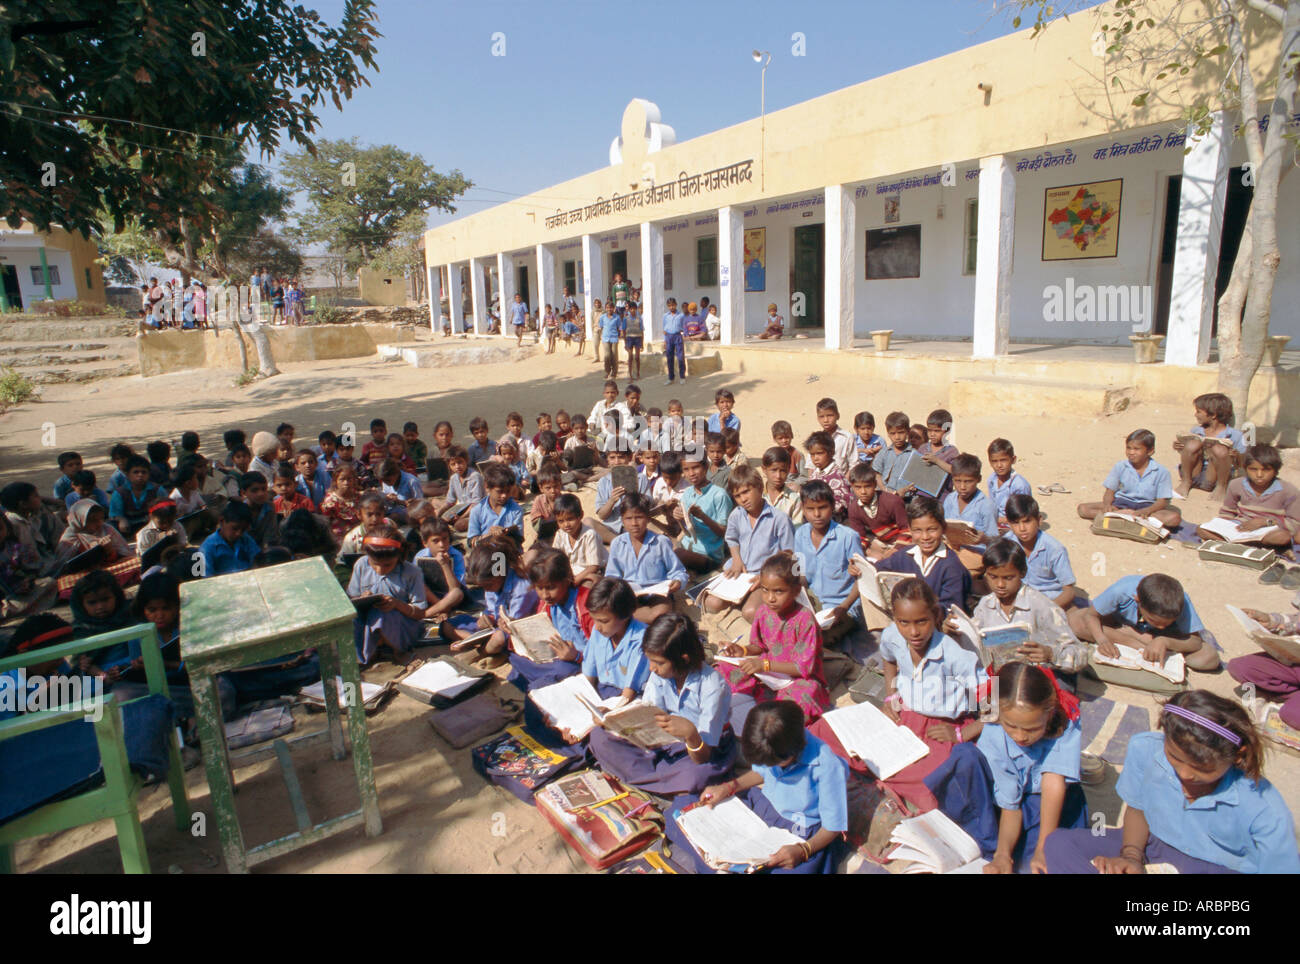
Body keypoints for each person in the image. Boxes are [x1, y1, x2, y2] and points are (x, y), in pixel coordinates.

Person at [1044, 690, 1299, 874]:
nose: (1186, 774)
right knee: (1059, 844)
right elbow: (1138, 808)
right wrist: (1131, 857)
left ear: (1237, 756)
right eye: (1175, 758)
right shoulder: (1145, 749)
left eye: (1202, 769)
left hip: (1216, 867)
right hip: (1152, 844)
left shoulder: (1263, 805)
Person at [929, 661, 1088, 874]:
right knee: (964, 758)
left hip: (1048, 804)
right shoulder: (995, 732)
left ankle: (1008, 844)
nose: (1020, 736)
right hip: (1009, 803)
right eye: (1011, 726)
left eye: (1032, 729)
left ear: (1049, 714)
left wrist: (1044, 848)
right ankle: (992, 846)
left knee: (1037, 864)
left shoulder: (1065, 724)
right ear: (998, 714)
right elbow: (1010, 805)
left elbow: (1053, 785)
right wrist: (1002, 855)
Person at [665, 701, 848, 874]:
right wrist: (729, 787)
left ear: (794, 752)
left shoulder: (827, 766)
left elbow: (832, 827)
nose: (772, 768)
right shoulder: (774, 745)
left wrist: (804, 850)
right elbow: (762, 773)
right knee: (684, 813)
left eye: (776, 764)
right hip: (762, 807)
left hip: (799, 830)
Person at [589, 612, 736, 796]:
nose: (651, 667)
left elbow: (703, 756)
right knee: (599, 737)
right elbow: (648, 713)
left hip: (702, 750)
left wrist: (691, 734)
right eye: (650, 660)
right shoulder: (661, 674)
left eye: (658, 662)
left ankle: (648, 779)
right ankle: (658, 781)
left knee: (694, 777)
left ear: (684, 659)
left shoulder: (713, 685)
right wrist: (612, 720)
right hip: (662, 744)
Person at [1069, 571, 1219, 672]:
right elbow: (1091, 615)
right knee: (1075, 621)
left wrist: (1165, 641)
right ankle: (1139, 644)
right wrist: (1102, 640)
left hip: (1165, 636)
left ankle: (1145, 642)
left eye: (1166, 623)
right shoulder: (1121, 591)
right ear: (1138, 600)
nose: (1160, 626)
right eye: (1154, 620)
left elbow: (1196, 641)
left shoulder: (1181, 601)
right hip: (1122, 626)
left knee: (1207, 659)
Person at [973, 540, 1086, 672]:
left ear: (1022, 573)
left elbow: (1080, 654)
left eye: (1008, 578)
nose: (1000, 585)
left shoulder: (1041, 606)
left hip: (1036, 679)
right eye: (993, 577)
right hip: (1000, 678)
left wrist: (1051, 654)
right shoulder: (985, 605)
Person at [703, 465, 795, 620]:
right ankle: (740, 599)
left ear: (759, 488)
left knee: (750, 612)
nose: (743, 499)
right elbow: (731, 539)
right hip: (741, 573)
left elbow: (788, 554)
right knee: (712, 603)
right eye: (737, 496)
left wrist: (766, 575)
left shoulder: (779, 519)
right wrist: (737, 560)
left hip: (765, 575)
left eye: (746, 492)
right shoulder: (736, 515)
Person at [793, 480, 862, 648]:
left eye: (822, 507)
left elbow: (862, 581)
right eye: (810, 509)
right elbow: (799, 571)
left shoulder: (848, 537)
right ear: (803, 509)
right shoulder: (800, 534)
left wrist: (843, 608)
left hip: (843, 607)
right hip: (814, 601)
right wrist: (800, 594)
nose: (817, 514)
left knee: (817, 641)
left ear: (832, 506)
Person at [347, 525, 427, 665]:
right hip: (368, 622)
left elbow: (420, 613)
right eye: (374, 564)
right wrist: (363, 598)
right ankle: (366, 653)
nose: (380, 570)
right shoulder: (361, 565)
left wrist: (396, 604)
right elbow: (351, 599)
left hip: (402, 626)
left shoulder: (411, 572)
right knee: (350, 618)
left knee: (382, 615)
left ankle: (398, 651)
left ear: (399, 556)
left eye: (387, 565)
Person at [604, 493, 687, 625]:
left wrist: (677, 581)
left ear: (648, 518)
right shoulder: (617, 543)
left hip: (657, 594)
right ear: (622, 520)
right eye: (628, 518)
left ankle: (630, 617)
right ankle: (635, 616)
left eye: (639, 517)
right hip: (629, 594)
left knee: (660, 613)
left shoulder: (661, 542)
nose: (634, 523)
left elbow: (678, 571)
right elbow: (612, 576)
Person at [1076, 428, 1180, 529]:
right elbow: (1109, 492)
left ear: (1150, 451)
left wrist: (1146, 511)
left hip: (1147, 507)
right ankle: (1129, 518)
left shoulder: (1161, 472)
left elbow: (1162, 502)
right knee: (1083, 509)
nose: (1131, 452)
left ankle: (1124, 518)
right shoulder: (1120, 466)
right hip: (1121, 504)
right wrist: (1107, 505)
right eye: (1128, 448)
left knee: (1174, 518)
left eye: (1136, 449)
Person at [1199, 443, 1298, 549]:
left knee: (1282, 537)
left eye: (1266, 469)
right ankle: (1246, 545)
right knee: (1201, 529)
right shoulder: (1236, 484)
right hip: (1241, 527)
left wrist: (1265, 522)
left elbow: (1295, 523)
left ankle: (1237, 545)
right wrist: (1226, 528)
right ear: (1246, 469)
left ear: (1276, 471)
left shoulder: (1288, 490)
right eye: (1253, 469)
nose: (1259, 474)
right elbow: (1227, 512)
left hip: (1269, 529)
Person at [1004, 494, 1077, 609]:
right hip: (1019, 600)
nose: (1022, 528)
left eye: (1027, 521)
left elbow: (1069, 591)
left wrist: (1047, 610)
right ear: (1009, 524)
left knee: (1078, 620)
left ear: (1039, 520)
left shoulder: (1055, 549)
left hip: (1049, 601)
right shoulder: (1007, 544)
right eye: (1016, 523)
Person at [1173, 392, 1245, 499]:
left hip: (1213, 477)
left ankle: (1221, 487)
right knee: (1193, 444)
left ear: (1213, 415)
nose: (1195, 415)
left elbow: (1243, 463)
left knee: (1219, 449)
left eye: (1199, 412)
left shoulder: (1235, 435)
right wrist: (1180, 447)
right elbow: (1189, 454)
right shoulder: (1197, 430)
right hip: (1194, 474)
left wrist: (1235, 455)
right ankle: (1186, 482)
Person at [673, 450, 734, 573]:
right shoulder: (688, 493)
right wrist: (678, 518)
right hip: (687, 546)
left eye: (695, 468)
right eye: (686, 469)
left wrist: (703, 516)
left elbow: (724, 533)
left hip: (708, 555)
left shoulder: (719, 495)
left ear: (705, 467)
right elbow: (686, 530)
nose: (691, 473)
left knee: (676, 554)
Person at [845, 463, 908, 556]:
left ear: (874, 484)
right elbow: (860, 537)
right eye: (858, 487)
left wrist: (896, 549)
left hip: (900, 541)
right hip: (881, 542)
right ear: (852, 487)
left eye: (867, 486)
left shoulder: (893, 501)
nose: (863, 492)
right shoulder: (854, 508)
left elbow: (906, 529)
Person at [552, 493, 606, 586]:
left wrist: (575, 580)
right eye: (561, 521)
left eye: (570, 519)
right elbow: (554, 558)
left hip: (590, 573)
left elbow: (593, 566)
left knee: (588, 584)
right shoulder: (560, 534)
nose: (566, 525)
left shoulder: (589, 535)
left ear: (580, 515)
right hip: (570, 574)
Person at [467, 462, 524, 547]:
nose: (504, 495)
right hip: (487, 553)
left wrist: (503, 536)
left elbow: (519, 540)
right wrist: (488, 537)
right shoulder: (477, 510)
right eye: (500, 491)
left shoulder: (516, 510)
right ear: (487, 487)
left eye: (508, 491)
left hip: (509, 553)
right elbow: (471, 542)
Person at [199, 501, 261, 576]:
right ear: (221, 521)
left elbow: (256, 560)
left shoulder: (246, 539)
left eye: (243, 529)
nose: (239, 533)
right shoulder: (208, 547)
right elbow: (207, 577)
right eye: (235, 528)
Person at [986, 437, 1033, 529]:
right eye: (994, 461)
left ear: (1013, 459)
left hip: (1014, 527)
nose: (999, 465)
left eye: (1003, 460)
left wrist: (998, 520)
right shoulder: (992, 480)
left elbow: (1024, 516)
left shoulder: (1019, 485)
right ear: (990, 462)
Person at [803, 431, 850, 517]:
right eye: (812, 455)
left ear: (831, 453)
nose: (815, 458)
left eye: (819, 453)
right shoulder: (815, 473)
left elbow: (841, 504)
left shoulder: (836, 476)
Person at [916, 409, 959, 497]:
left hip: (941, 498)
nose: (932, 434)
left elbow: (956, 471)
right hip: (921, 496)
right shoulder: (923, 448)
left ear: (947, 431)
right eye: (930, 430)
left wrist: (937, 461)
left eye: (937, 431)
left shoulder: (951, 451)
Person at [874, 411, 915, 494]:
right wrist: (885, 490)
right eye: (893, 433)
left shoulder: (914, 454)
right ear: (888, 434)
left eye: (901, 432)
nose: (897, 437)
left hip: (907, 497)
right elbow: (877, 474)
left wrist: (905, 490)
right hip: (885, 495)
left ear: (908, 431)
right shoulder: (884, 452)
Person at [760, 446, 803, 526]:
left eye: (783, 471)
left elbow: (797, 529)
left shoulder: (794, 500)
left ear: (789, 469)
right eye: (774, 470)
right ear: (764, 469)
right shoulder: (758, 496)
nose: (778, 476)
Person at [661, 297, 686, 386]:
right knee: (669, 358)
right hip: (668, 337)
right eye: (670, 306)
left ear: (676, 305)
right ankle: (671, 378)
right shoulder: (665, 316)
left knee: (680, 357)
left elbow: (684, 326)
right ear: (668, 306)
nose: (671, 307)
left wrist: (683, 335)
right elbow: (664, 328)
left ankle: (682, 377)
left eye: (673, 305)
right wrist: (664, 340)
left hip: (678, 336)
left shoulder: (681, 315)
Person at [623, 302, 644, 380]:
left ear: (636, 309)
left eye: (634, 309)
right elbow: (624, 331)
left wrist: (642, 343)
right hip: (629, 338)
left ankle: (637, 373)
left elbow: (642, 331)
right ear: (629, 309)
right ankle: (630, 374)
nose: (632, 310)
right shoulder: (626, 319)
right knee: (630, 356)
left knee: (637, 357)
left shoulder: (639, 318)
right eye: (631, 309)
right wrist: (625, 343)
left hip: (638, 338)